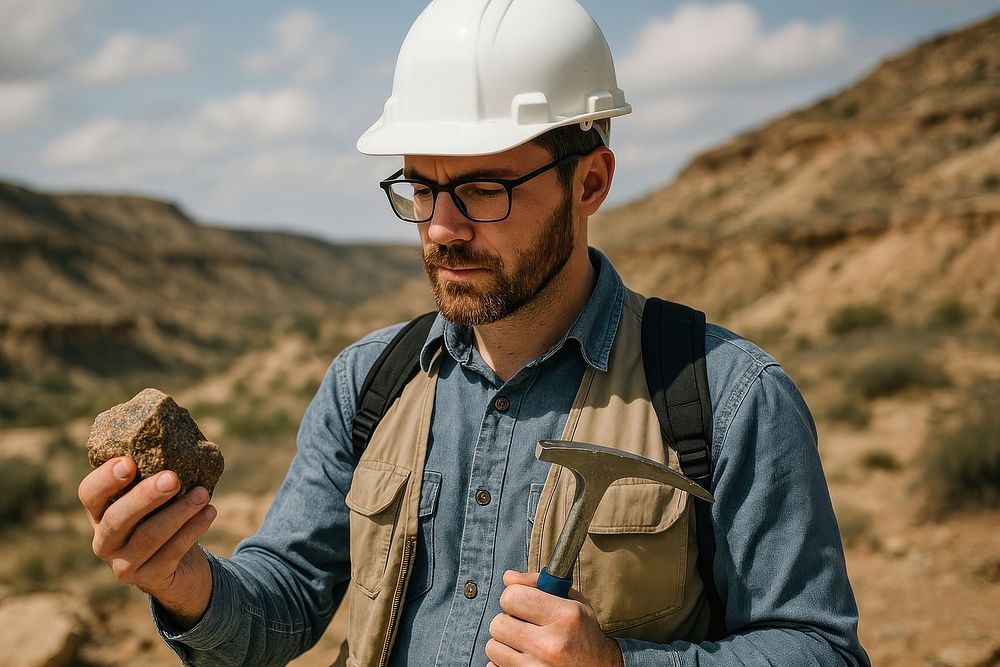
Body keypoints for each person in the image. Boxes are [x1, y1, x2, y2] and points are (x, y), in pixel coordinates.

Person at [78, 0, 870, 665]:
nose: (442, 229)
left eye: (484, 188)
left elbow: (819, 646)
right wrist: (185, 580)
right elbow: (283, 603)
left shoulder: (725, 394)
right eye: (421, 187)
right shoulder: (368, 382)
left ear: (590, 182)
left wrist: (619, 664)